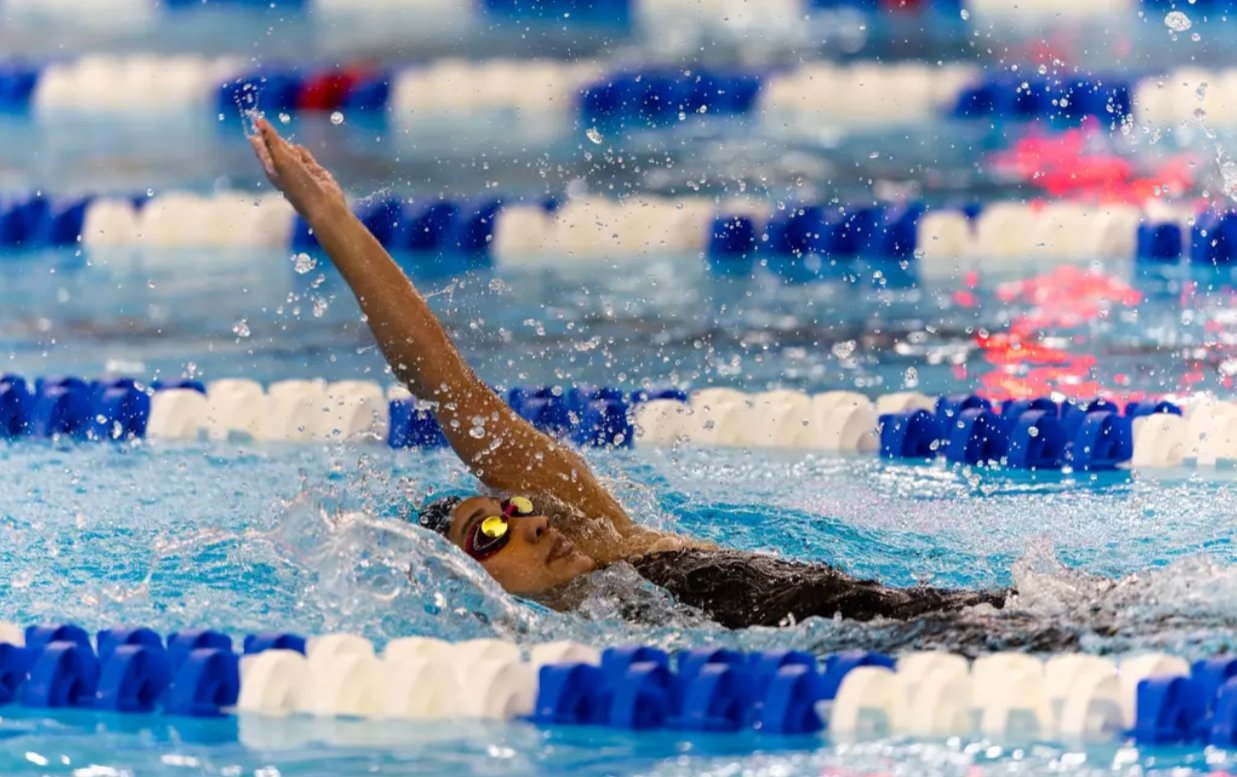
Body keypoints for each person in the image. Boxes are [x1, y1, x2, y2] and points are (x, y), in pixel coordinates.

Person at [249, 118, 1008, 629]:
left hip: (918, 621)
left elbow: (447, 386)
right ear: (465, 586)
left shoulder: (603, 536)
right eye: (487, 532)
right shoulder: (555, 642)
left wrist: (330, 220)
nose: (530, 519)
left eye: (508, 505)